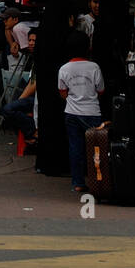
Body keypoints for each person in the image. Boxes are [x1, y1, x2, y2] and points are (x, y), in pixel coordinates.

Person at [58, 32, 105, 193]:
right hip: (92, 112)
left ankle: (77, 182)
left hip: (71, 112)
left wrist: (74, 99)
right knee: (96, 149)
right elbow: (100, 90)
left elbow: (63, 92)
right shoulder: (94, 67)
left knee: (75, 147)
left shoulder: (64, 69)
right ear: (88, 47)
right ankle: (97, 181)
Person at [2, 29, 38, 146]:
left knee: (9, 109)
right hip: (31, 97)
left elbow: (33, 85)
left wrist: (20, 100)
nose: (31, 43)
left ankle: (32, 132)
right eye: (30, 40)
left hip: (36, 98)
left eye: (34, 41)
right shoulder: (33, 58)